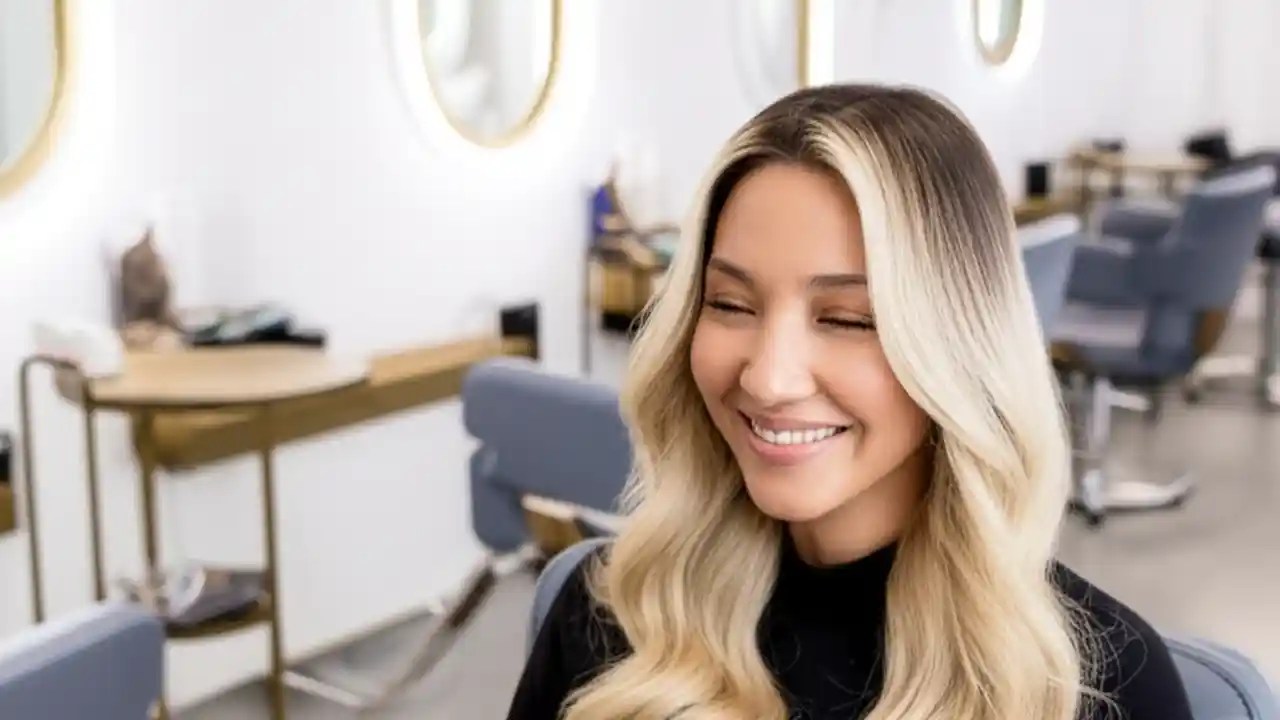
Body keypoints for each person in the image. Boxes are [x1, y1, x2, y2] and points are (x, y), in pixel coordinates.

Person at [507, 84, 1194, 719]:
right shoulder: (610, 617)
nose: (769, 379)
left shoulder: (1105, 690)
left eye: (847, 319)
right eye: (729, 304)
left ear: (958, 345)